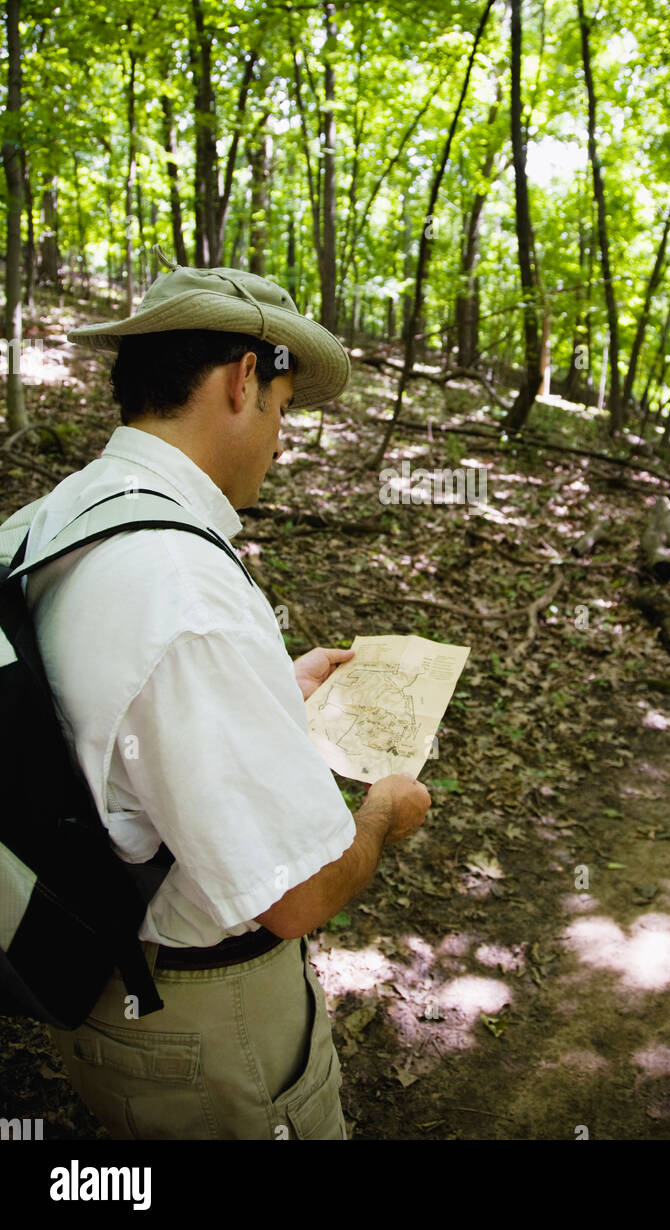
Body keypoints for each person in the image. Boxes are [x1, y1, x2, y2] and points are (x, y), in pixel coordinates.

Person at [1, 260, 431, 1140]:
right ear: (244, 380)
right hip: (209, 1034)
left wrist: (271, 684)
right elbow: (298, 898)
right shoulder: (188, 587)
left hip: (101, 992)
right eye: (282, 408)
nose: (280, 439)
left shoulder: (50, 519)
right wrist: (385, 812)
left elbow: (103, 717)